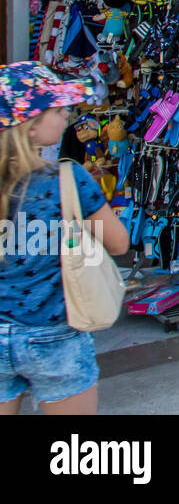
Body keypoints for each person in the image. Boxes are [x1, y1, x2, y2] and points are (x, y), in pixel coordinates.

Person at [1, 62, 129, 415]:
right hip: (54, 335)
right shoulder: (68, 179)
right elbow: (118, 244)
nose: (66, 117)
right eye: (57, 110)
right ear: (29, 127)